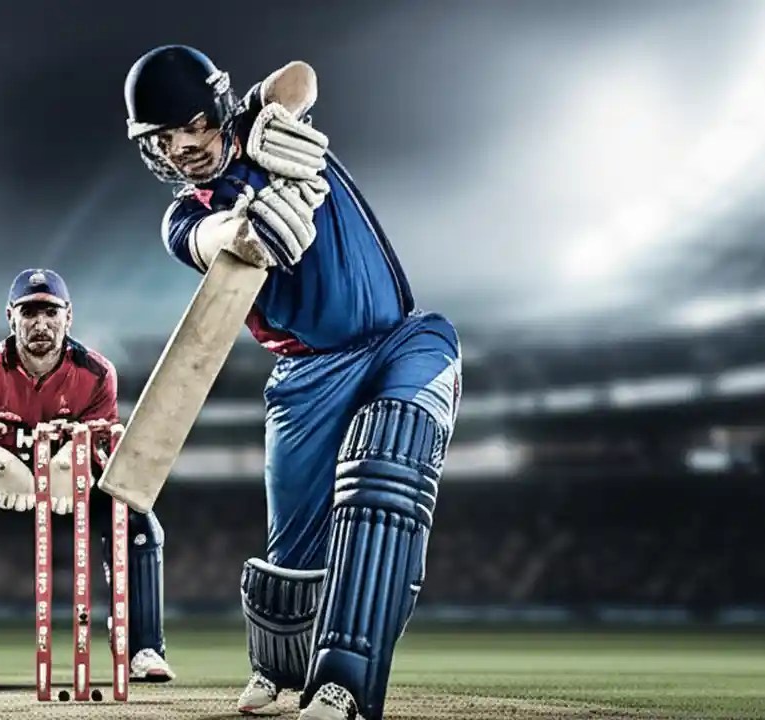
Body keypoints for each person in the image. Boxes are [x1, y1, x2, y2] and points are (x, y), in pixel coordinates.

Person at [122, 46, 462, 720]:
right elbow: (210, 238)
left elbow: (300, 75)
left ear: (218, 107)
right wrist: (247, 230)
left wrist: (281, 119)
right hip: (305, 376)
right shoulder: (183, 218)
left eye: (192, 123)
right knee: (293, 556)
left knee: (381, 474)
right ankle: (278, 673)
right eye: (164, 137)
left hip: (402, 340)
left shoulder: (258, 125)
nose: (184, 146)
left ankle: (343, 685)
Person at [0, 268, 175, 687]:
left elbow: (101, 437)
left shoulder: (97, 372)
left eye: (50, 312)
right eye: (29, 312)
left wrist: (75, 457)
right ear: (10, 316)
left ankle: (143, 647)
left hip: (71, 463)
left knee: (138, 521)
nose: (40, 324)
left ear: (68, 316)